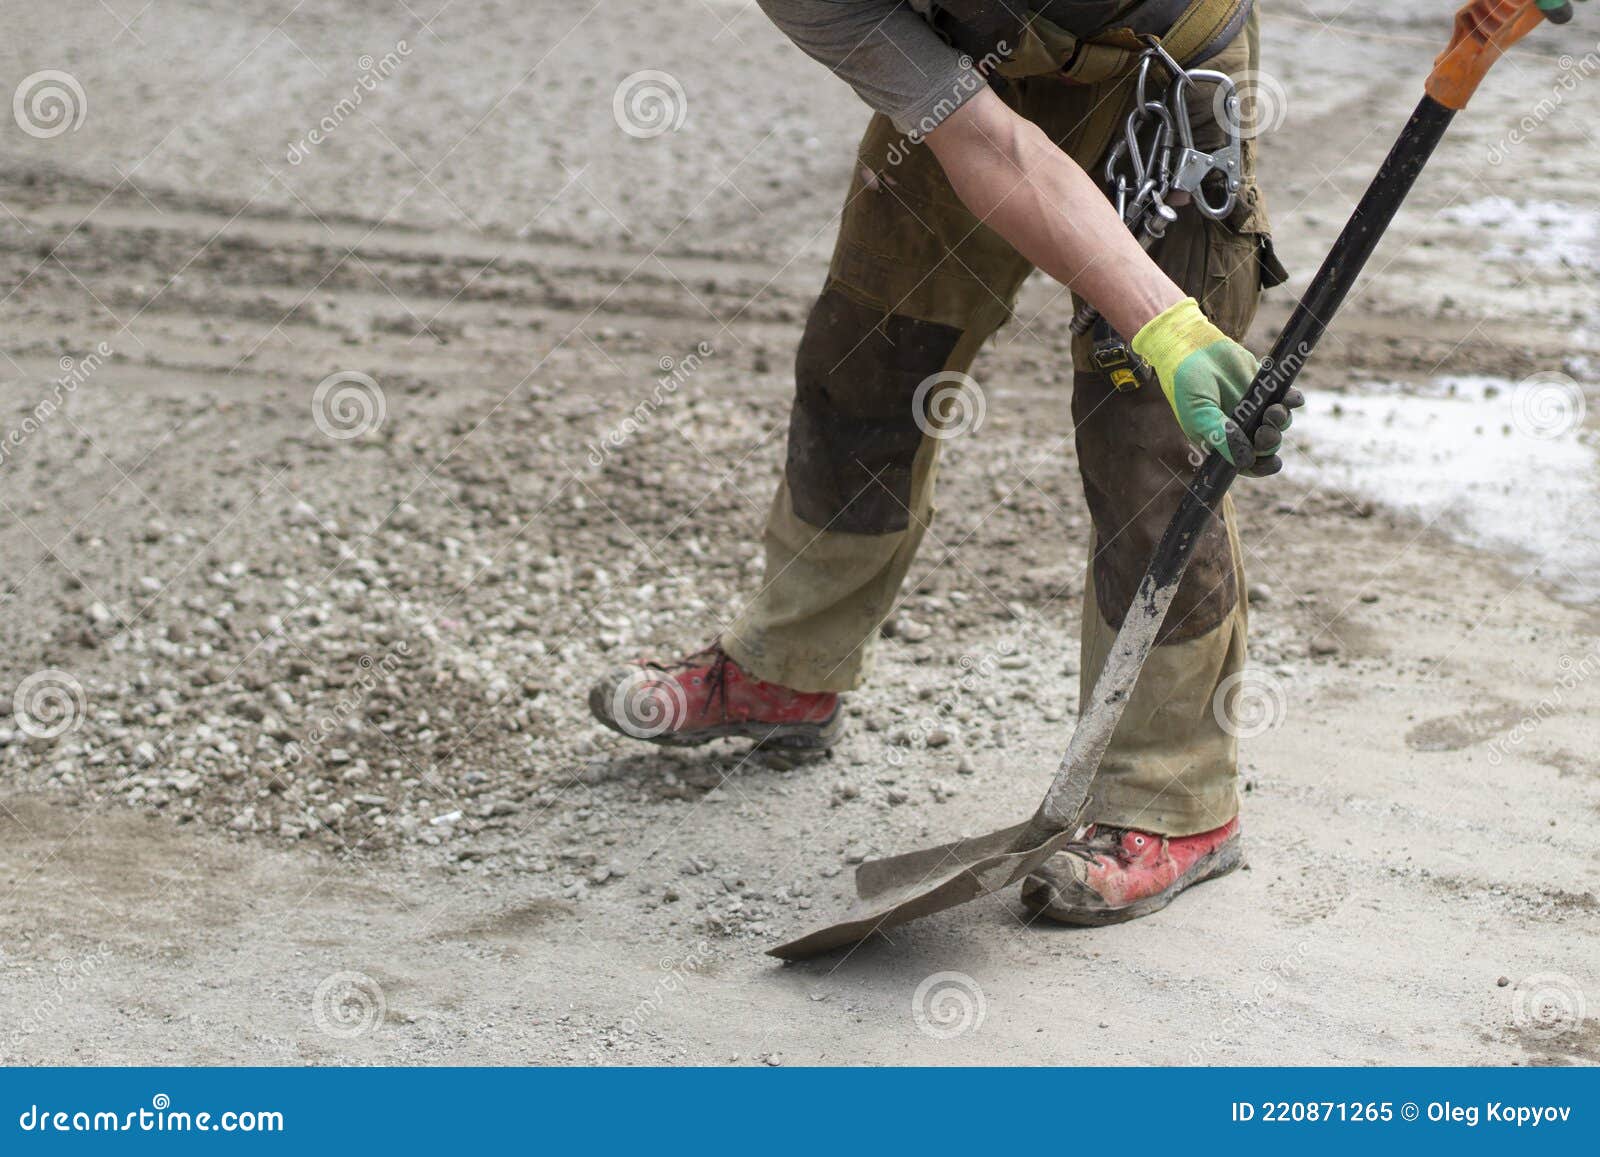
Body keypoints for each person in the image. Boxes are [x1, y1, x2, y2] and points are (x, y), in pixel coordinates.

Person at [590, 0, 1303, 926]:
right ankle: (791, 665)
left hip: (1165, 70)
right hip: (973, 77)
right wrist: (1163, 324)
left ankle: (1172, 801)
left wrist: (1164, 337)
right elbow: (993, 148)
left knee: (1151, 439)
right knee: (870, 350)